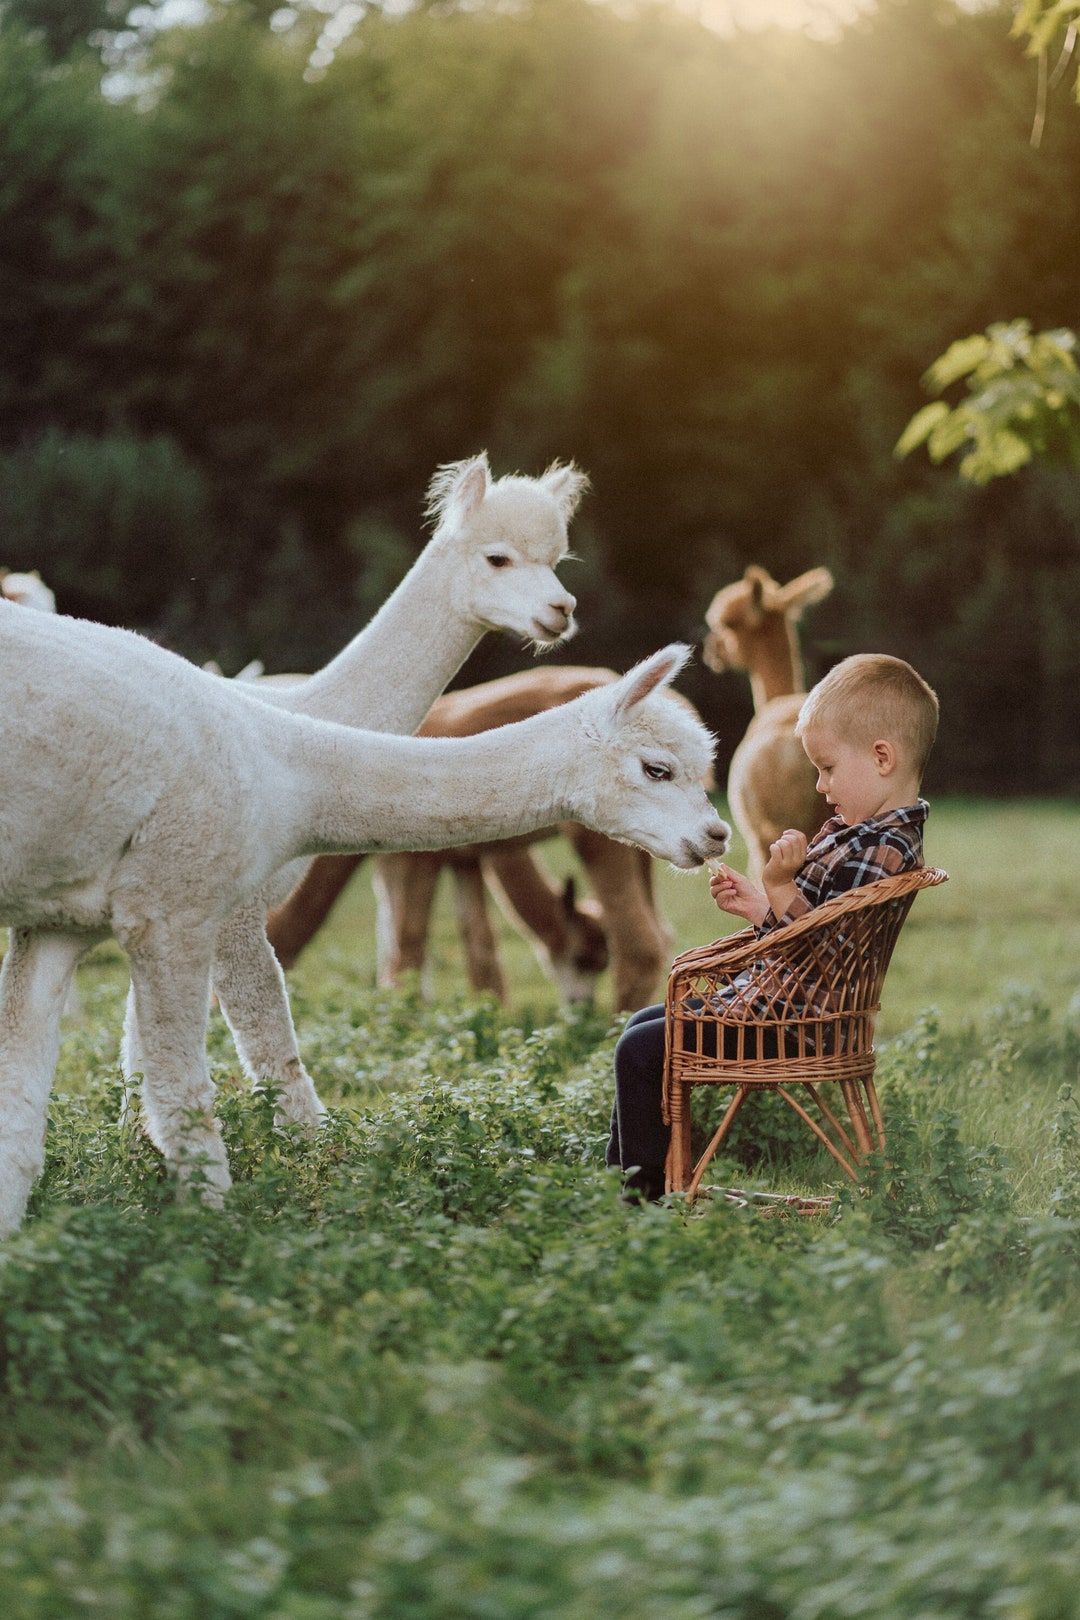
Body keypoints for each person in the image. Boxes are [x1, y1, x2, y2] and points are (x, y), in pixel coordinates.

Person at [606, 652, 939, 1202]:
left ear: (882, 757)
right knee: (643, 1024)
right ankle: (638, 1177)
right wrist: (759, 906)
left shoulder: (877, 850)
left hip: (791, 1022)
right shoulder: (871, 838)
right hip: (786, 1006)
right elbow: (813, 933)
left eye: (828, 768)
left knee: (640, 1051)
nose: (820, 786)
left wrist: (781, 890)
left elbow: (815, 950)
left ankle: (635, 1200)